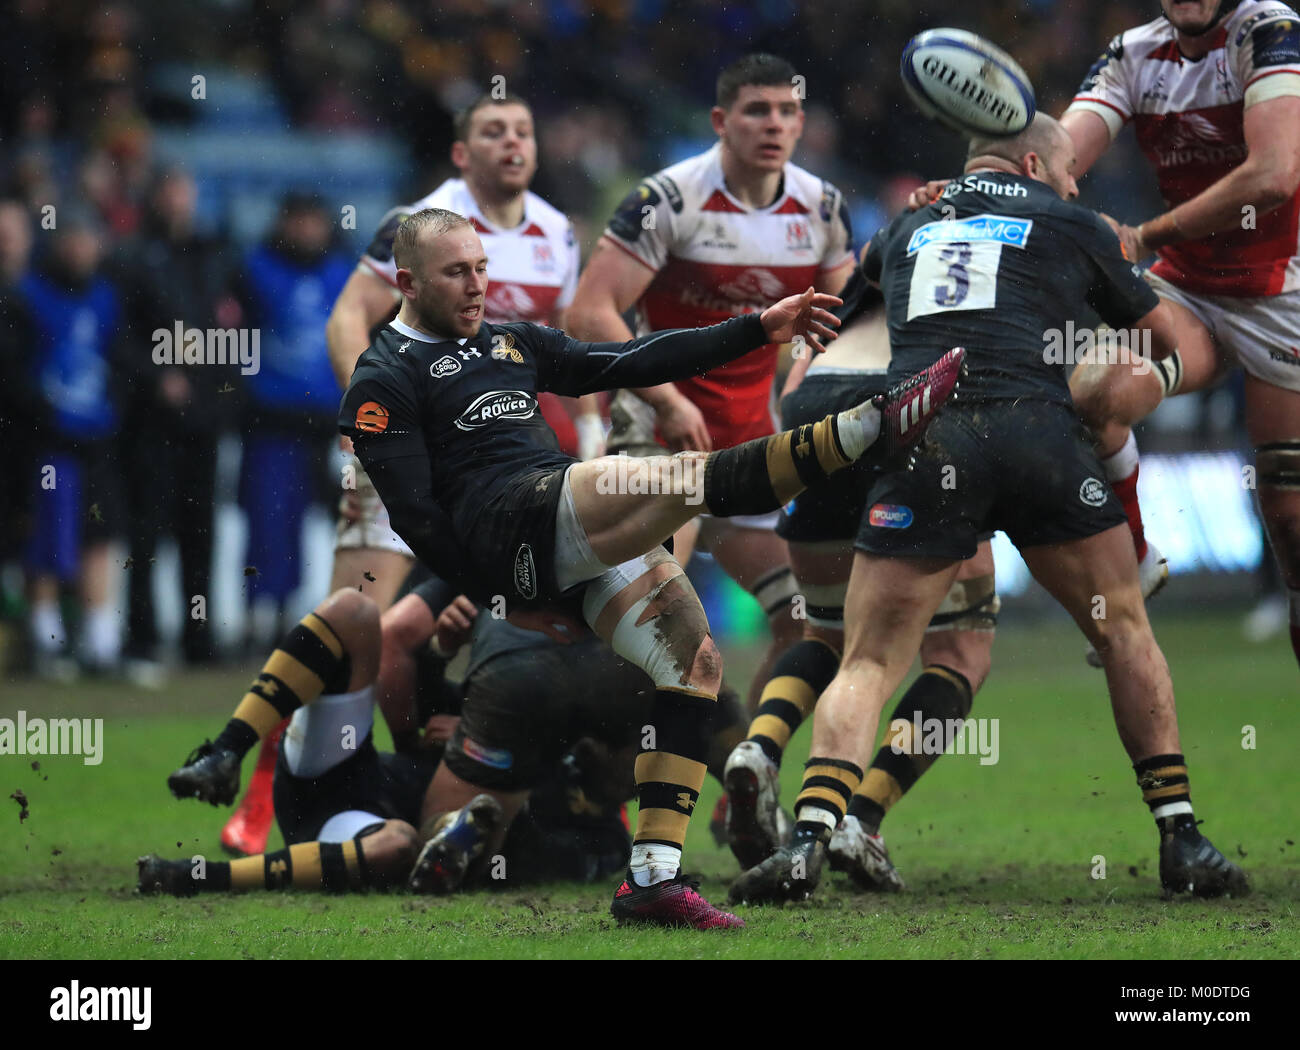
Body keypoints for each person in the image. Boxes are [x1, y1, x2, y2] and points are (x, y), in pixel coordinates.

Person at [164, 206, 964, 930]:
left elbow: (626, 361)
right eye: (456, 273)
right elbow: (416, 518)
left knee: (694, 662)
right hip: (511, 523)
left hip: (562, 523)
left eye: (481, 267)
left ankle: (651, 880)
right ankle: (865, 431)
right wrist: (503, 597)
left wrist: (759, 327)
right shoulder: (385, 377)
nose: (477, 285)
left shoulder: (508, 340)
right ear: (406, 282)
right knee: (674, 479)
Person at [731, 115, 1247, 905]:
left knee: (867, 657)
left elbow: (835, 319)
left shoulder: (901, 224)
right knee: (1124, 629)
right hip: (1039, 438)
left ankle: (805, 843)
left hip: (922, 435)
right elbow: (1166, 335)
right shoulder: (1072, 220)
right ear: (1038, 163)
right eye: (1071, 171)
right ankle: (1180, 835)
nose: (1077, 186)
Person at [217, 92, 600, 857]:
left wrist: (586, 433)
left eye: (522, 130)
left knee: (513, 615)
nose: (512, 143)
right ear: (462, 153)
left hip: (495, 468)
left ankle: (539, 784)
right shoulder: (419, 222)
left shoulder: (557, 232)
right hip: (406, 455)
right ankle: (264, 785)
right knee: (350, 614)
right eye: (493, 131)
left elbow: (560, 348)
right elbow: (346, 317)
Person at [567, 53, 855, 711]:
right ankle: (589, 786)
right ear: (722, 121)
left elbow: (845, 327)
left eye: (787, 111)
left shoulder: (822, 207)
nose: (773, 124)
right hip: (662, 441)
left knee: (810, 626)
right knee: (659, 635)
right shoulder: (667, 199)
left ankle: (746, 786)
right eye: (757, 110)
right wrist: (666, 399)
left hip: (751, 446)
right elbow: (589, 310)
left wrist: (805, 385)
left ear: (802, 120)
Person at [723, 268, 998, 891]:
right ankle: (861, 819)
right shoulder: (1006, 235)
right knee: (957, 651)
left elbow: (808, 345)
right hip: (921, 411)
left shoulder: (891, 239)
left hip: (815, 406)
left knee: (824, 635)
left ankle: (760, 749)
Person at [1060, 0, 1300, 672]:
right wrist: (976, 188)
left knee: (1290, 526)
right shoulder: (1133, 53)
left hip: (1283, 293)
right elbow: (1052, 159)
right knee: (1097, 395)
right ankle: (1137, 562)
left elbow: (1275, 174)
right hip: (1190, 291)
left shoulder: (1268, 30)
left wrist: (1144, 236)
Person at [114, 168, 245, 678]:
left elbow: (235, 326)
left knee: (201, 529)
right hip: (150, 422)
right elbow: (120, 336)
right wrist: (156, 377)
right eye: (170, 190)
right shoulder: (133, 258)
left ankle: (199, 637)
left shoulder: (214, 257)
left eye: (185, 190)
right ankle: (141, 638)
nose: (179, 200)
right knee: (148, 531)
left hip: (204, 418)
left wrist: (224, 389)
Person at [18, 208, 127, 678]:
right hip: (48, 438)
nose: (80, 250)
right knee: (46, 536)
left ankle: (100, 642)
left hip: (96, 436)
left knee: (98, 533)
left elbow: (117, 358)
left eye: (87, 240)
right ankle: (45, 640)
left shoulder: (107, 297)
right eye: (72, 240)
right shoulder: (28, 296)